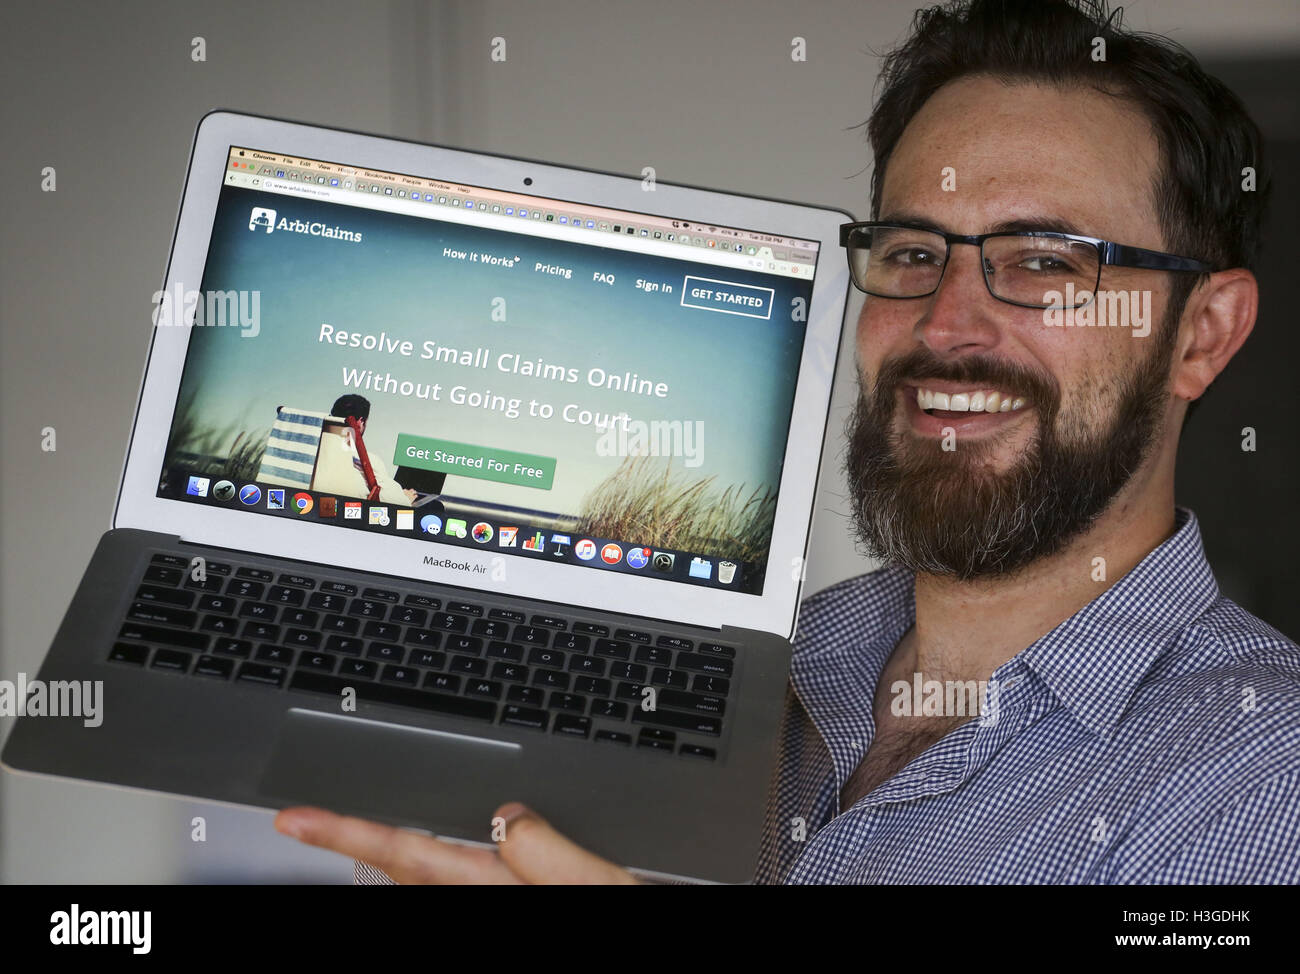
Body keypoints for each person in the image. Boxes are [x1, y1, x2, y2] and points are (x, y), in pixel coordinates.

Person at [275, 0, 1300, 883]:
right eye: (911, 252)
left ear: (1199, 334)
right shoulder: (742, 672)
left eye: (1041, 260)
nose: (945, 325)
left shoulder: (1260, 771)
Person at [325, 394, 417, 506]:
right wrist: (406, 498)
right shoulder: (366, 460)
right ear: (360, 422)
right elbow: (396, 502)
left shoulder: (318, 452)